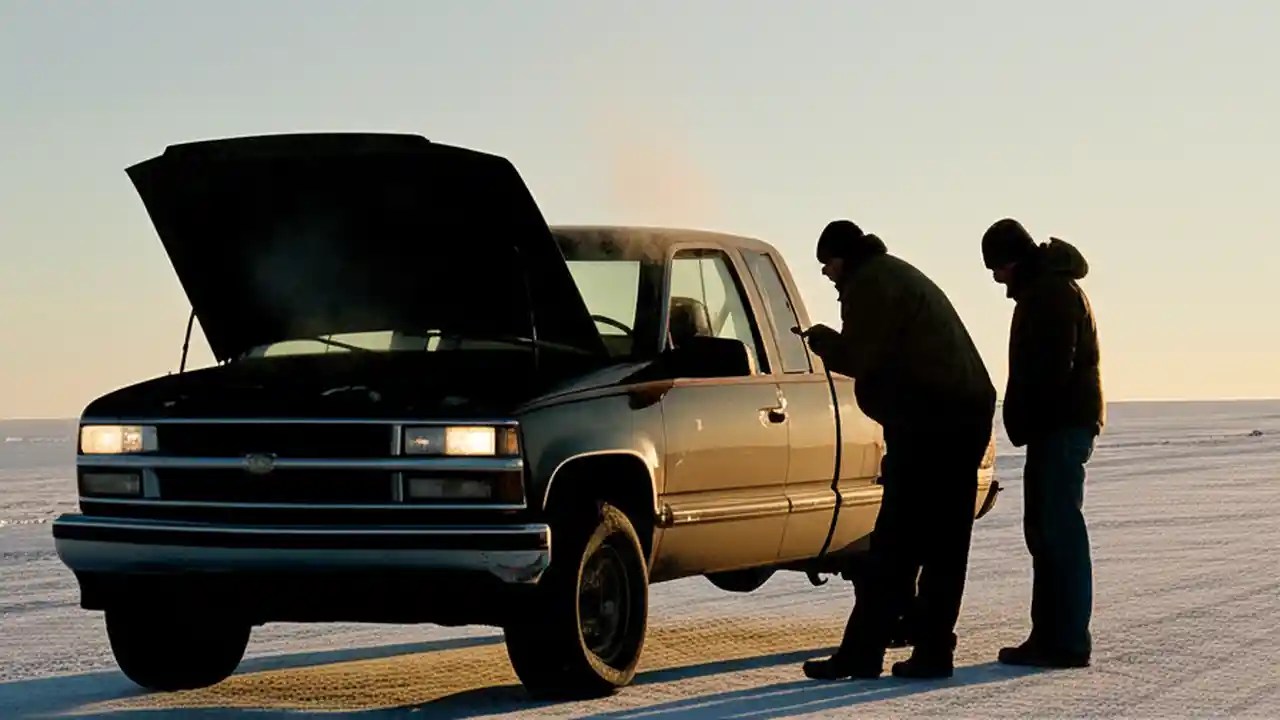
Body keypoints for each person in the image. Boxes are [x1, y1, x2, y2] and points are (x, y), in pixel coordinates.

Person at [801, 219, 996, 680]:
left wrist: (826, 343)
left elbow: (864, 358)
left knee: (899, 542)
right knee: (929, 543)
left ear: (843, 256)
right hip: (953, 416)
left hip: (936, 422)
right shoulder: (889, 274)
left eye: (827, 263)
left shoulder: (869, 285)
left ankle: (874, 653)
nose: (826, 273)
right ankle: (913, 651)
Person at [981, 218, 1104, 668]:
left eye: (996, 267)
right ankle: (1051, 635)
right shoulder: (1047, 288)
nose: (996, 278)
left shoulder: (1050, 292)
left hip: (1060, 427)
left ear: (1012, 260)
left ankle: (1066, 639)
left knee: (1057, 532)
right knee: (1048, 532)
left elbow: (1052, 367)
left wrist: (1033, 417)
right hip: (1056, 426)